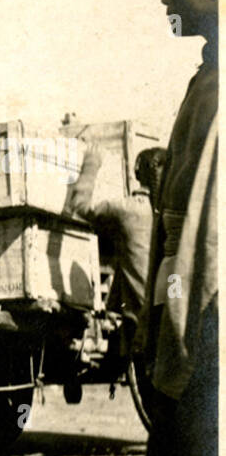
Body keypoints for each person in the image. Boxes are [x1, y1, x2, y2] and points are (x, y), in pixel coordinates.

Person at [134, 0, 218, 456]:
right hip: (193, 321)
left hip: (211, 333)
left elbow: (209, 241)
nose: (165, 0)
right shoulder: (205, 83)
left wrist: (186, 336)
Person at [71, 145, 162, 355]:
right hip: (168, 315)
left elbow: (81, 206)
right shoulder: (170, 214)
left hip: (142, 319)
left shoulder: (127, 209)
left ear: (138, 174)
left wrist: (92, 162)